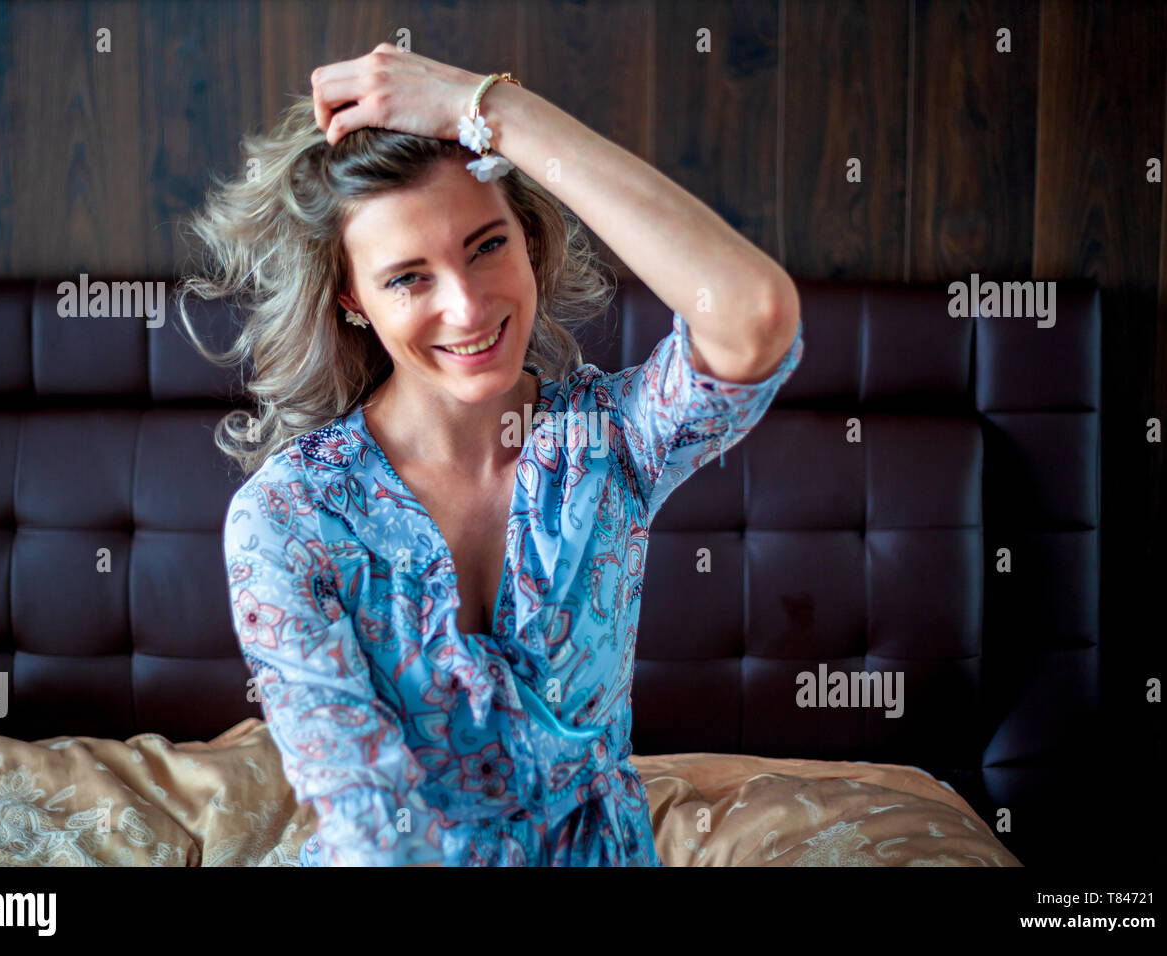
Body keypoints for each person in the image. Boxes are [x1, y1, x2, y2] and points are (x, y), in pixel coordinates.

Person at [179, 44, 804, 866]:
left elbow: (754, 313)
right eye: (407, 278)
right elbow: (368, 822)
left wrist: (493, 111)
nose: (468, 306)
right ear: (350, 300)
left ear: (530, 239)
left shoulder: (611, 442)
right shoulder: (289, 519)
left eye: (486, 245)